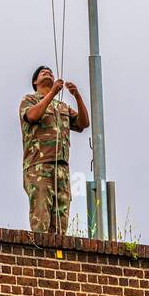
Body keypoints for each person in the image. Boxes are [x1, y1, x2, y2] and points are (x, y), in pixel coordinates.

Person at [19, 65, 90, 234]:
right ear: (35, 82)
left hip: (61, 169)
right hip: (39, 167)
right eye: (43, 73)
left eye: (50, 72)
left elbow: (83, 123)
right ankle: (40, 258)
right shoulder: (29, 100)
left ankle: (57, 258)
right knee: (41, 218)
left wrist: (77, 96)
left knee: (60, 222)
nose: (48, 73)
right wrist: (52, 93)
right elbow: (33, 116)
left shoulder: (62, 107)